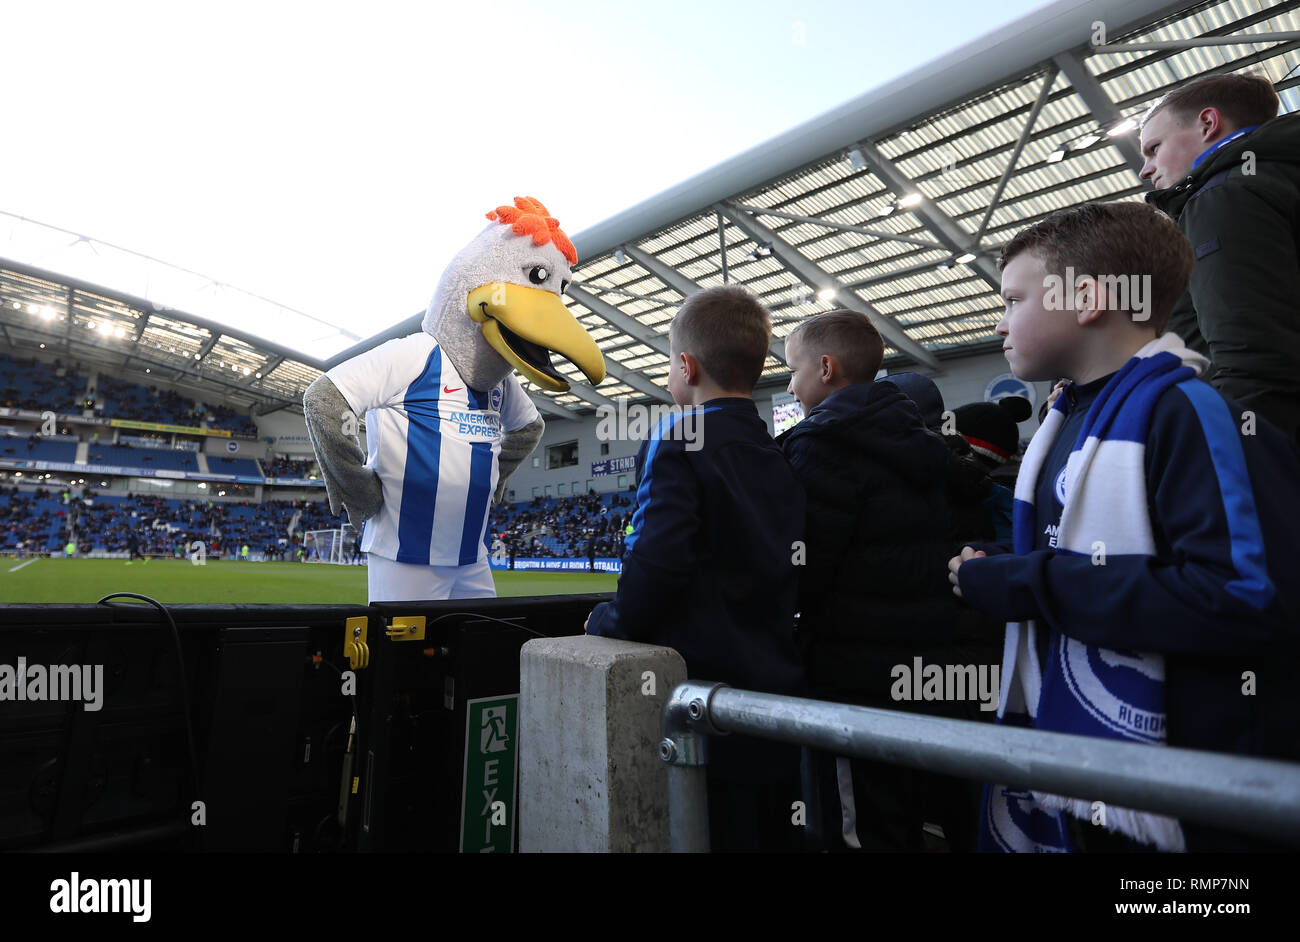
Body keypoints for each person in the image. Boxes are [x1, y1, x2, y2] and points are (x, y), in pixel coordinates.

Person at [949, 201, 1300, 853]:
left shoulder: (1191, 414)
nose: (1000, 323)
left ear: (1086, 299)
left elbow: (1244, 598)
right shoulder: (1069, 421)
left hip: (1194, 802)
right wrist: (1002, 561)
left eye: (1014, 300)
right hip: (1096, 778)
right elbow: (1097, 552)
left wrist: (1027, 581)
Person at [585, 285, 806, 852]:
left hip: (702, 695)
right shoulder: (776, 448)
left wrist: (609, 624)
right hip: (775, 688)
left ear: (685, 366)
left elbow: (656, 559)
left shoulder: (681, 437)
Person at [779, 314, 996, 852]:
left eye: (793, 370)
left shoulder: (821, 443)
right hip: (922, 664)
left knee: (860, 829)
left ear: (826, 369)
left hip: (854, 675)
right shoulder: (917, 438)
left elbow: (806, 569)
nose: (788, 385)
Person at [1141, 72, 1300, 445]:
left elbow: (1253, 358)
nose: (1145, 169)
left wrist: (1233, 459)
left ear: (1209, 124)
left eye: (1154, 148)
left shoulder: (1222, 197)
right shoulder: (1277, 177)